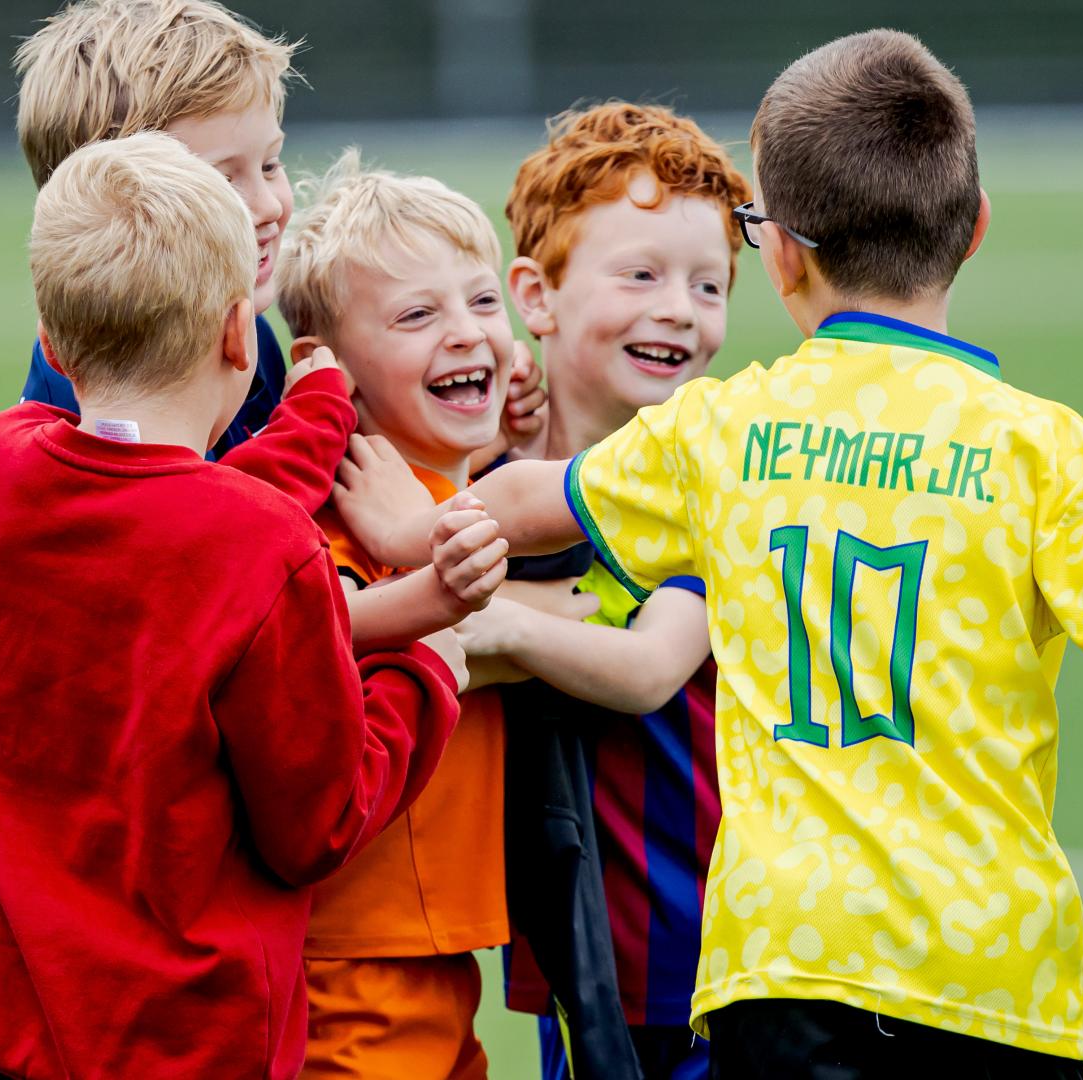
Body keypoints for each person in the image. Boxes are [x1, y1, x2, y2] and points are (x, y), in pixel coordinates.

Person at [363, 30, 1083, 1076]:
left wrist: (398, 532)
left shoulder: (728, 429)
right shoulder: (1050, 452)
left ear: (777, 252)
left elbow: (525, 503)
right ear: (974, 231)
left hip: (778, 962)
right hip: (996, 975)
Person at [0, 2, 543, 1057]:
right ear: (115, 199)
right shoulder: (121, 400)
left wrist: (380, 409)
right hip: (118, 968)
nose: (266, 207)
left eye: (271, 165)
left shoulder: (26, 437)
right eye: (223, 178)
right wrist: (431, 628)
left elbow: (247, 525)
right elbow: (246, 604)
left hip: (12, 967)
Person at [467, 101, 752, 1080]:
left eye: (708, 284)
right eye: (641, 274)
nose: (679, 306)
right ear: (534, 298)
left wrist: (480, 628)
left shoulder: (713, 479)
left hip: (700, 956)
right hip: (570, 942)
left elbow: (646, 671)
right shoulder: (488, 469)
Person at [274, 152, 517, 1079]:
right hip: (356, 964)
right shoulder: (330, 521)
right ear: (326, 367)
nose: (467, 335)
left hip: (431, 955)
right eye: (418, 316)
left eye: (483, 303)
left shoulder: (457, 488)